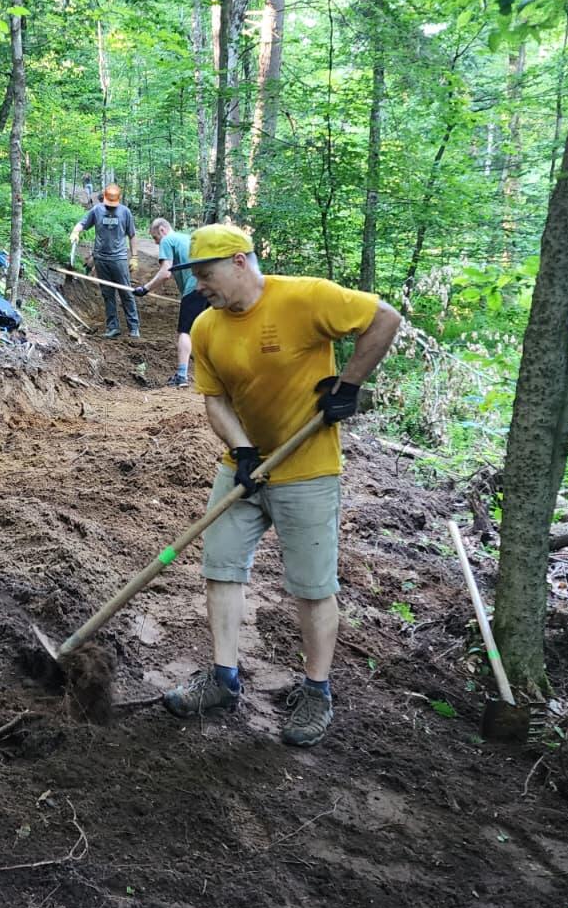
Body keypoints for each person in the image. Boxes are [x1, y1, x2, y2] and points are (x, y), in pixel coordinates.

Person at [162, 224, 401, 747]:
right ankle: (223, 679)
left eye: (206, 274)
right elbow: (214, 399)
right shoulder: (205, 327)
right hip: (243, 467)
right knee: (220, 568)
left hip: (308, 468)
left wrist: (350, 385)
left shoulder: (307, 298)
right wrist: (243, 449)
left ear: (241, 262)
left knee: (313, 586)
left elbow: (385, 319)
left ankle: (316, 691)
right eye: (196, 277)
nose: (200, 286)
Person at [134, 218, 209, 387]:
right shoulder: (187, 238)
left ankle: (181, 376)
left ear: (162, 230)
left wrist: (145, 289)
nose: (155, 242)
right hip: (214, 287)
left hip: (195, 287)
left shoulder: (168, 240)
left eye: (155, 238)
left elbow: (165, 273)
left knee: (185, 332)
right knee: (209, 330)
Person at [70, 184, 140, 338]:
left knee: (126, 292)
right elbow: (83, 223)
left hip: (119, 259)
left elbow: (132, 235)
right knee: (107, 294)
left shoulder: (125, 212)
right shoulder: (97, 210)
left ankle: (134, 327)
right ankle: (113, 327)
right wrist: (76, 231)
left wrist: (134, 257)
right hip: (101, 258)